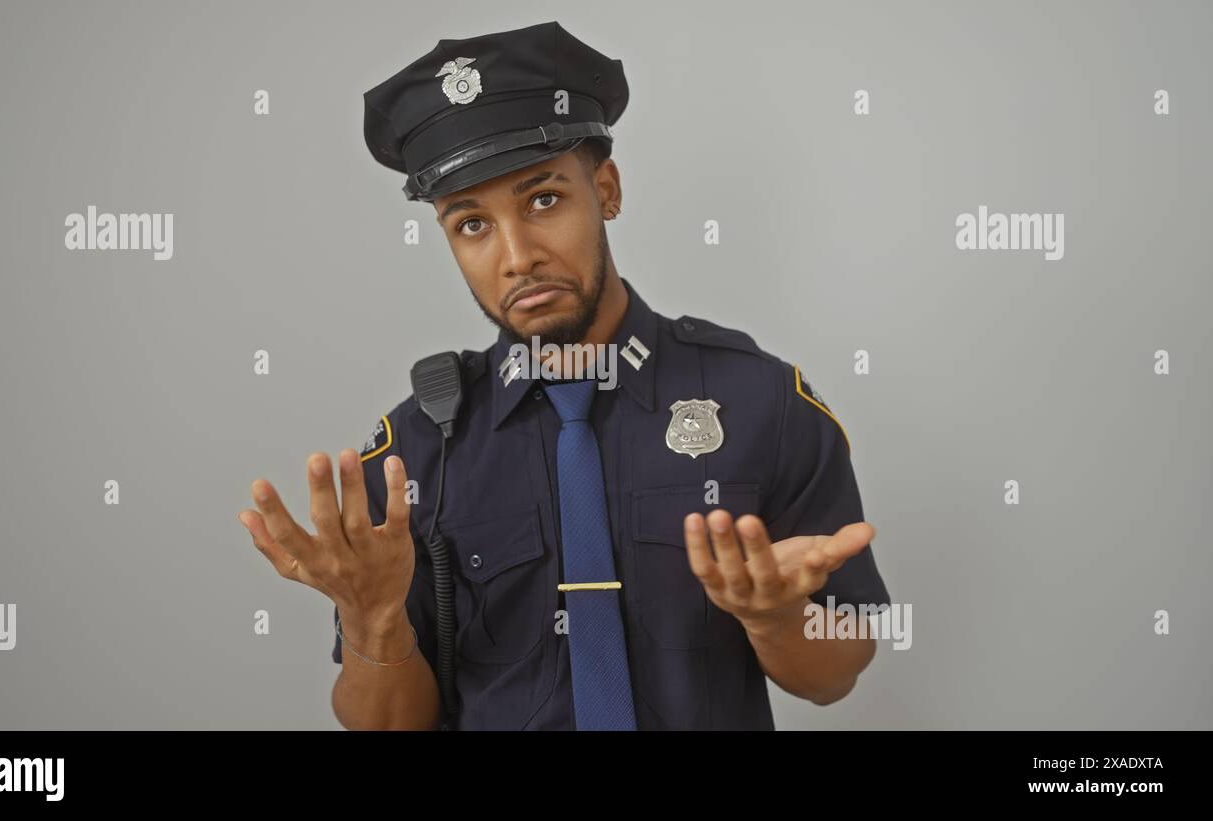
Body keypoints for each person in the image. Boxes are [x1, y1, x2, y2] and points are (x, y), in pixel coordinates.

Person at [237, 20, 891, 730]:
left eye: (543, 199)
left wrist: (776, 616)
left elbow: (834, 677)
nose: (516, 256)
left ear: (605, 189)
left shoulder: (761, 402)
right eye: (471, 225)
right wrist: (374, 623)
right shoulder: (413, 455)